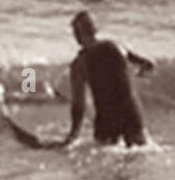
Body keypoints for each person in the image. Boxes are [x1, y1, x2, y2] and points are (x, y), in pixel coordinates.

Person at [65, 11, 152, 146]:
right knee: (139, 155)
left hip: (107, 120)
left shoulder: (79, 64)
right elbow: (148, 64)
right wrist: (139, 73)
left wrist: (72, 136)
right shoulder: (118, 47)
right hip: (131, 113)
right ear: (95, 30)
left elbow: (79, 106)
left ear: (77, 35)